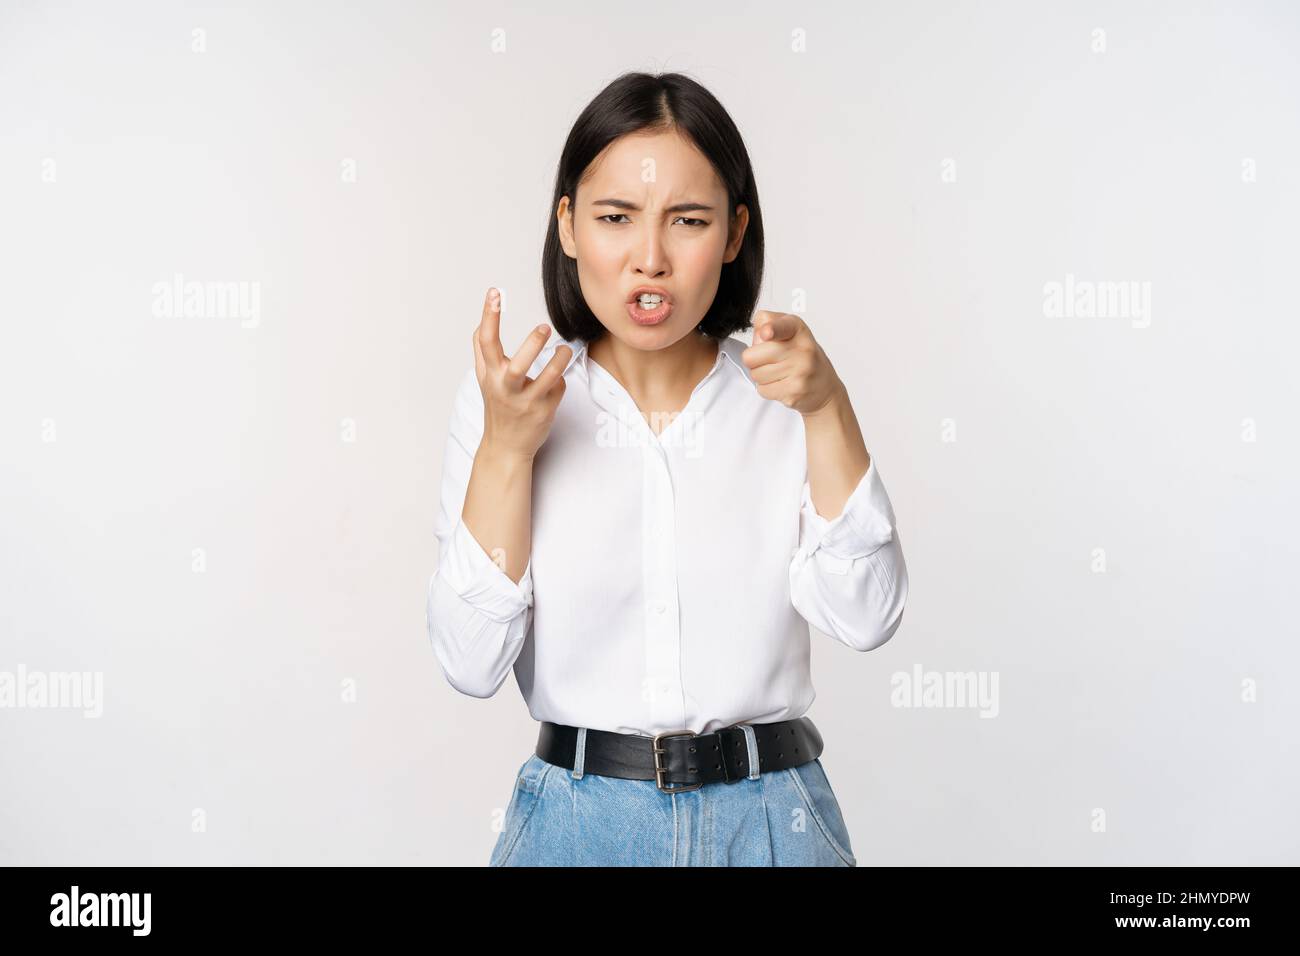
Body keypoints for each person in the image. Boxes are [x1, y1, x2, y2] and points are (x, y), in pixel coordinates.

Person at [427, 71, 909, 866]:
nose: (649, 259)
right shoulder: (504, 406)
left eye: (687, 220)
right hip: (577, 828)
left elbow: (868, 618)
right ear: (570, 225)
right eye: (616, 218)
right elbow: (470, 662)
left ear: (733, 233)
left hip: (772, 822)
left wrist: (829, 411)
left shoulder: (785, 395)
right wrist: (507, 452)